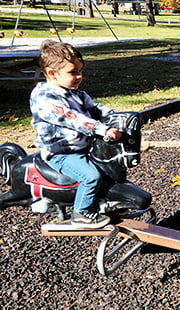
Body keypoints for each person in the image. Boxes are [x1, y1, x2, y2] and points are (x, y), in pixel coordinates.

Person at [30, 40, 122, 228]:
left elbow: (96, 109)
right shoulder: (45, 98)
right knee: (91, 177)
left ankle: (102, 202)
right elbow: (72, 118)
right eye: (73, 72)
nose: (79, 76)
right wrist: (102, 129)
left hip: (82, 147)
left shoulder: (76, 94)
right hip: (61, 153)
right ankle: (81, 213)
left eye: (80, 71)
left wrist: (119, 118)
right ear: (52, 74)